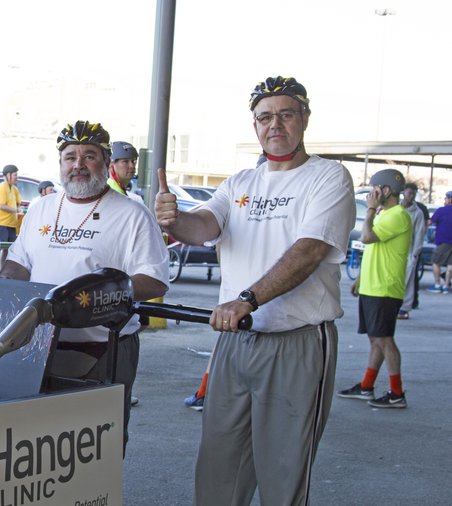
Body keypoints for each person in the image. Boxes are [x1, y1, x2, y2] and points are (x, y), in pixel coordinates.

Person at [155, 76, 355, 505]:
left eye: (286, 114)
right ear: (255, 126)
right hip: (235, 341)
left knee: (284, 474)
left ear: (304, 118)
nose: (275, 125)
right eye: (265, 117)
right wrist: (174, 220)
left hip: (296, 341)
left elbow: (310, 250)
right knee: (218, 469)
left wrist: (247, 299)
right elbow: (203, 226)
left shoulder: (328, 177)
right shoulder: (240, 183)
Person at [0, 120, 169, 448]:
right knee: (37, 443)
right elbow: (19, 262)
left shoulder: (132, 214)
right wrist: (4, 284)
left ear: (106, 162)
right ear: (60, 163)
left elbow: (155, 280)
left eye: (89, 156)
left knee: (96, 446)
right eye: (70, 157)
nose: (78, 164)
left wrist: (100, 295)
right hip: (38, 345)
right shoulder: (41, 208)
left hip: (104, 347)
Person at [338, 169, 411, 409]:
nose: (372, 194)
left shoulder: (398, 215)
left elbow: (367, 237)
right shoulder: (384, 213)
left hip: (385, 288)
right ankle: (366, 386)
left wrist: (369, 210)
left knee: (384, 339)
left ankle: (397, 393)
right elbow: (375, 250)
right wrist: (360, 279)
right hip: (372, 286)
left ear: (386, 190)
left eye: (375, 189)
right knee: (376, 340)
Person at [397, 183, 427, 319]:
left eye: (413, 194)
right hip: (394, 251)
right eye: (409, 193)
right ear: (403, 193)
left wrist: (415, 254)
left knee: (408, 282)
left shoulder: (418, 213)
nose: (411, 196)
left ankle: (404, 308)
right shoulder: (396, 208)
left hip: (409, 252)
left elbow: (419, 234)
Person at [427, 191, 452, 293]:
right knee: (450, 264)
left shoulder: (441, 211)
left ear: (450, 199)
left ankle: (437, 285)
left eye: (446, 198)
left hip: (444, 241)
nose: (444, 200)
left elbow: (430, 222)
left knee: (436, 262)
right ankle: (446, 286)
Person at [0, 164, 21, 242]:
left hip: (12, 224)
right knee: (2, 246)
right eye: (15, 175)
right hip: (1, 224)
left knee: (10, 247)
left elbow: (18, 203)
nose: (17, 177)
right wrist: (16, 210)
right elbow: (1, 206)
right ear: (8, 175)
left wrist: (18, 207)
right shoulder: (1, 187)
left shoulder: (14, 188)